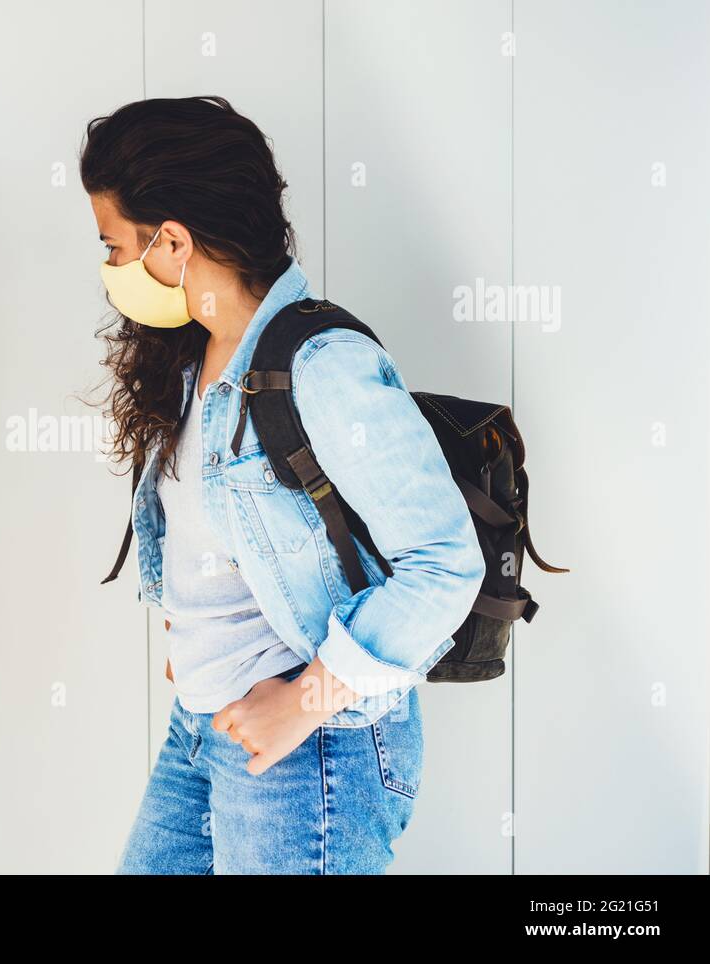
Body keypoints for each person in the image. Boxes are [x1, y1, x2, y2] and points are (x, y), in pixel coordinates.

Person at [81, 96, 485, 874]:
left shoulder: (322, 364)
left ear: (172, 241)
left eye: (113, 246)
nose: (108, 271)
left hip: (311, 751)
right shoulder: (197, 356)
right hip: (205, 725)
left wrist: (300, 704)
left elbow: (445, 566)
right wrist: (202, 633)